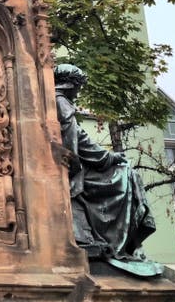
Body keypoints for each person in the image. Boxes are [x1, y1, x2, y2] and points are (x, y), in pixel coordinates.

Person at [54, 64, 161, 276]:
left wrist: (107, 156)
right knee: (125, 174)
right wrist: (108, 157)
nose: (78, 92)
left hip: (76, 166)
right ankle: (119, 243)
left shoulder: (59, 102)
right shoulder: (61, 103)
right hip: (73, 170)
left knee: (125, 172)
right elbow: (78, 142)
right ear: (70, 85)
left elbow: (78, 138)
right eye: (78, 87)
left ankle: (123, 244)